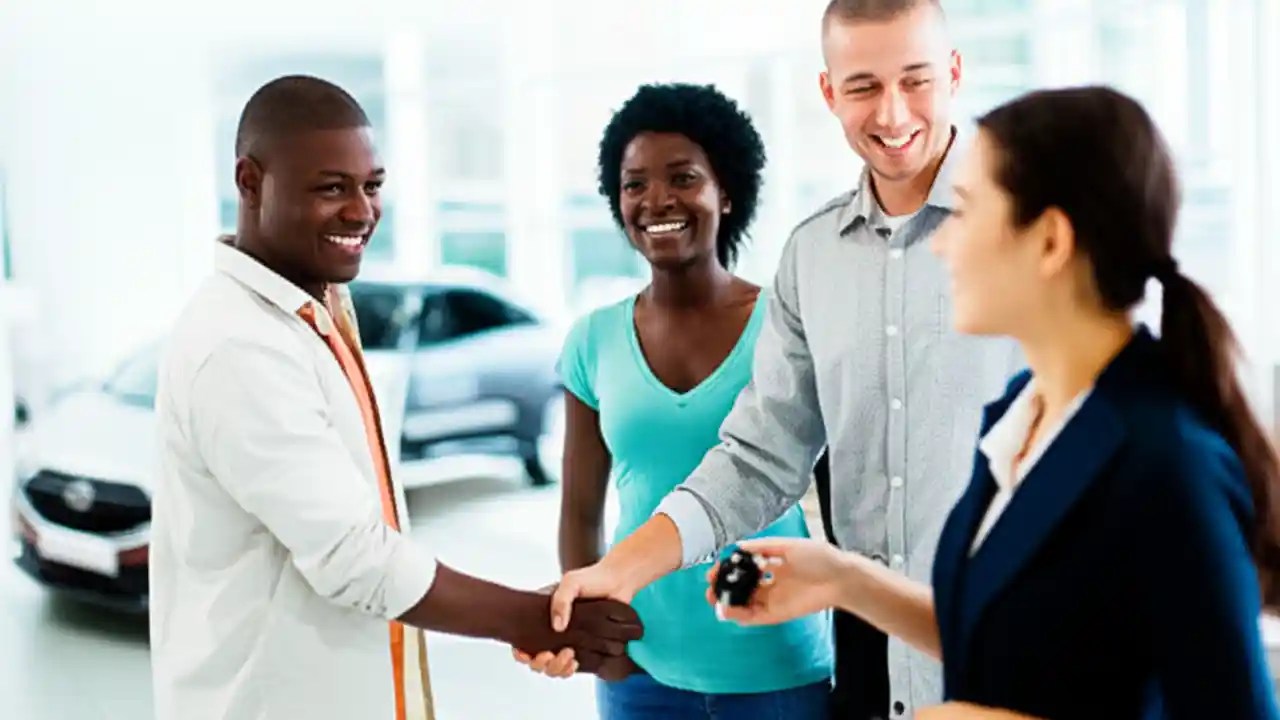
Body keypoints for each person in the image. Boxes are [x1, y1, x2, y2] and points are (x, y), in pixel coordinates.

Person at [713, 85, 1280, 720]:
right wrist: (846, 580)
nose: (941, 243)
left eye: (966, 210)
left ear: (1050, 241)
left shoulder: (1170, 465)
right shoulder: (1022, 413)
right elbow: (1011, 642)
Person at [532, 2, 1022, 717]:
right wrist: (618, 573)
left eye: (915, 80)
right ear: (829, 92)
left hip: (1010, 646)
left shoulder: (1029, 227)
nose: (891, 113)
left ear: (954, 74)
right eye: (863, 86)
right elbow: (761, 457)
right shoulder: (813, 256)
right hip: (871, 665)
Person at [149, 75, 642, 720]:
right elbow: (353, 555)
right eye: (332, 188)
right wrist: (531, 617)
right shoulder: (239, 345)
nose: (362, 211)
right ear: (250, 181)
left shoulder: (316, 304)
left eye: (372, 185)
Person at [516, 83, 834, 719]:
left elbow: (840, 495)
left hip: (776, 661)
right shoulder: (593, 339)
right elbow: (579, 513)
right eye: (634, 184)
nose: (657, 199)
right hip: (641, 668)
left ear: (726, 192)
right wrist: (601, 644)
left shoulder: (788, 326)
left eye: (683, 178)